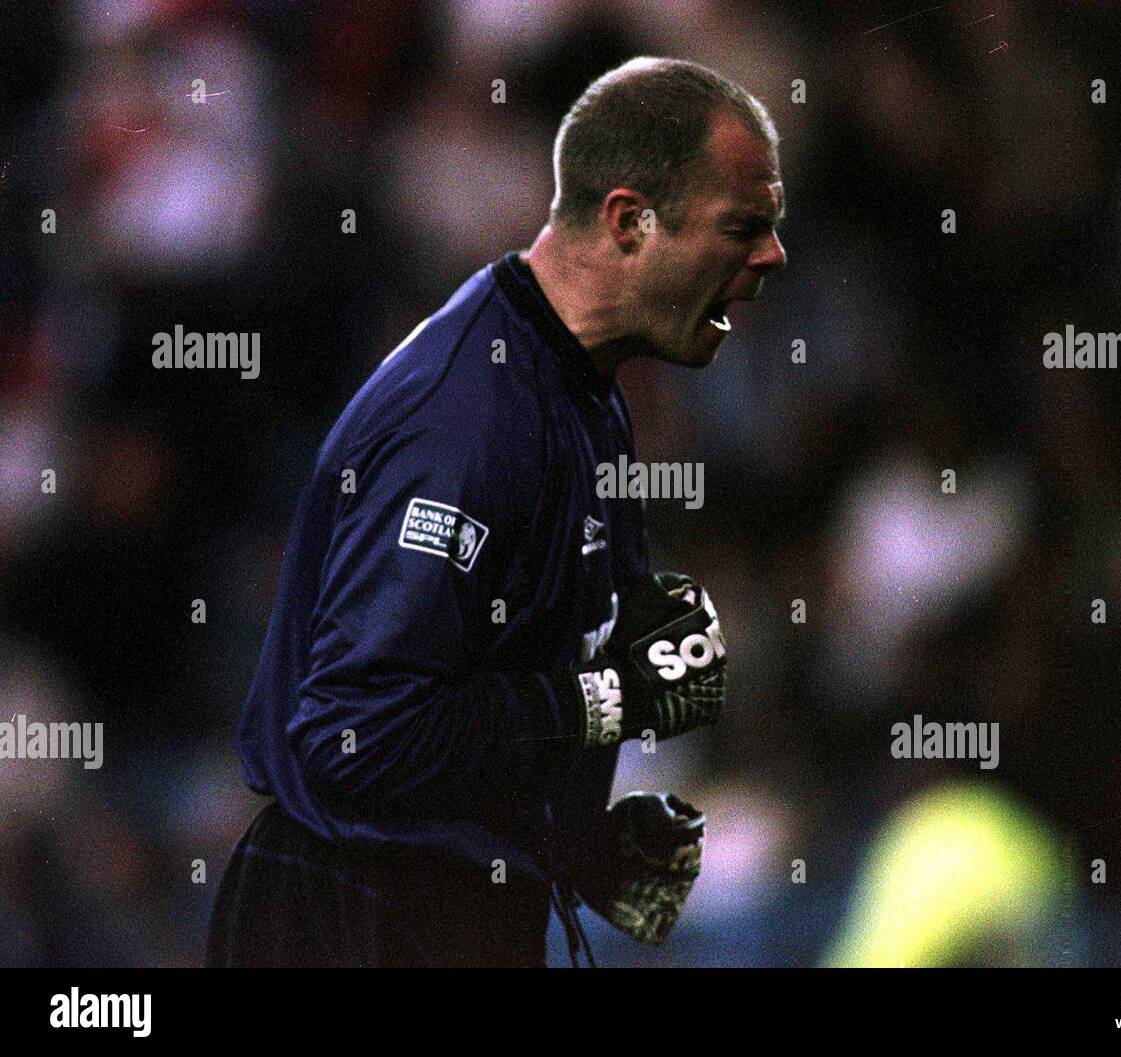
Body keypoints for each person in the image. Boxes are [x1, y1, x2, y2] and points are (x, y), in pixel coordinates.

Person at [206, 56, 786, 968]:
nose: (771, 256)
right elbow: (355, 736)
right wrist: (606, 699)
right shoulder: (467, 418)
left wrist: (579, 844)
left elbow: (481, 696)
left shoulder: (582, 390)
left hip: (440, 909)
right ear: (630, 220)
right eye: (742, 226)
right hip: (352, 918)